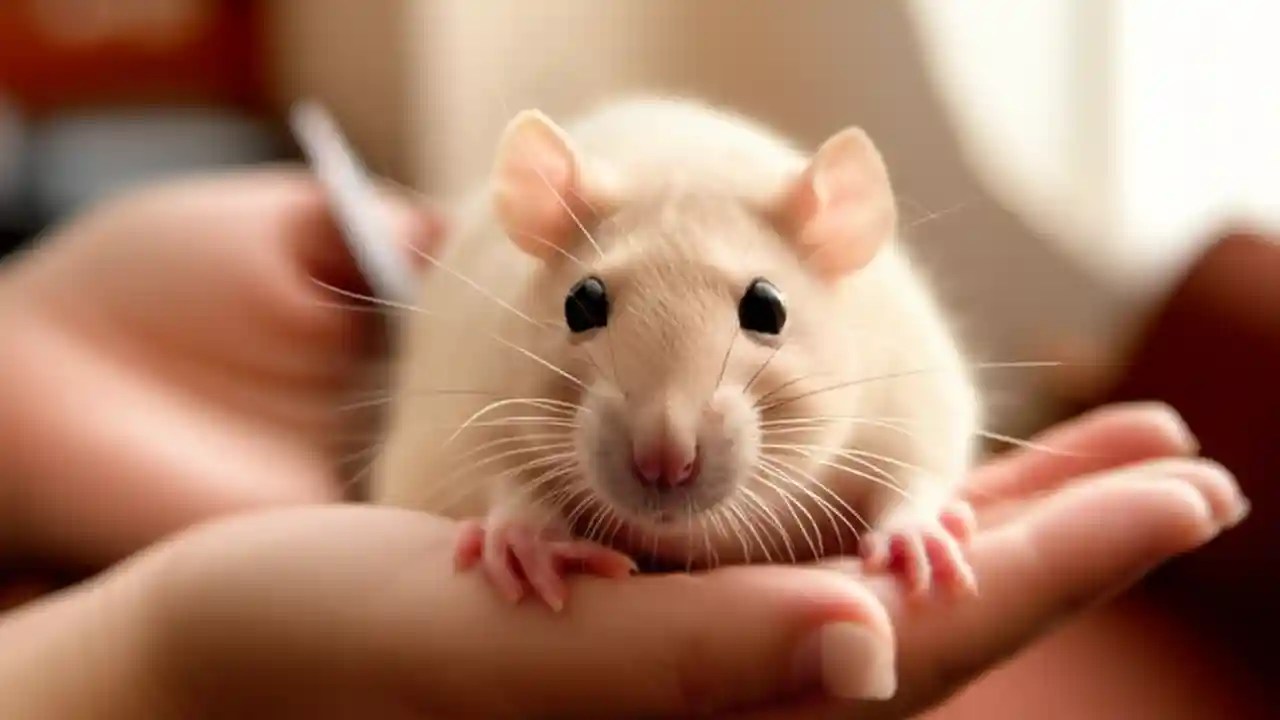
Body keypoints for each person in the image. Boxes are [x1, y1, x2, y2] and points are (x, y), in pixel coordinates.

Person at [0, 169, 1248, 718]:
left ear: (835, 242)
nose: (664, 447)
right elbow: (425, 464)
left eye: (760, 314)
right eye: (586, 306)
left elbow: (932, 419)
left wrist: (922, 495)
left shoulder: (878, 327)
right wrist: (156, 658)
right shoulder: (496, 337)